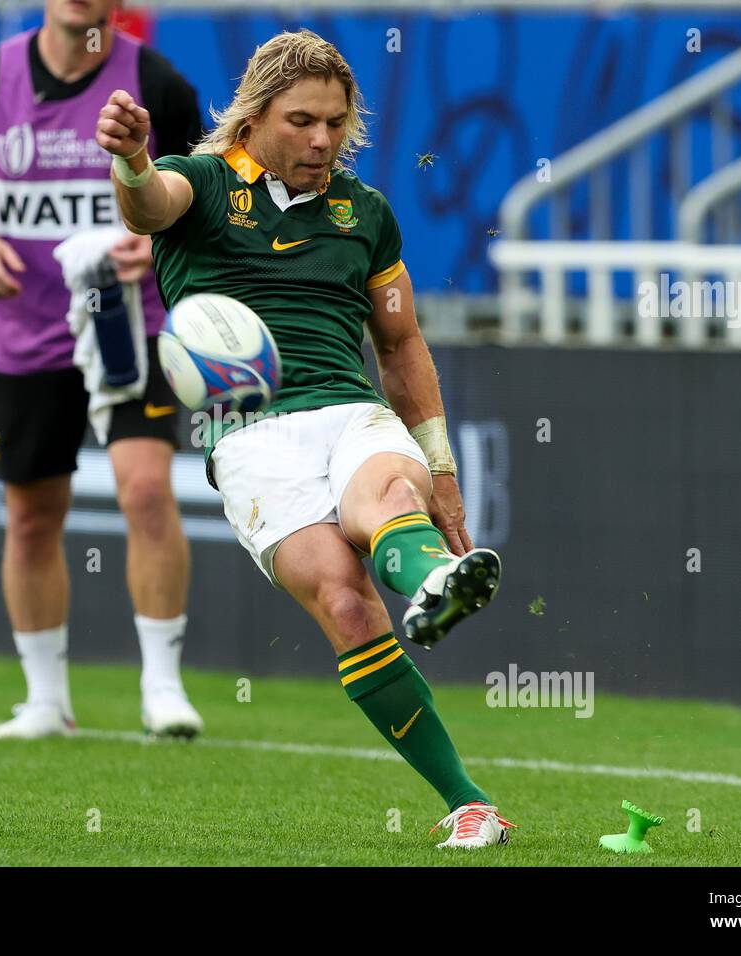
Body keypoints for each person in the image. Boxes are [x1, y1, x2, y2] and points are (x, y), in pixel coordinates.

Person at [99, 29, 514, 848]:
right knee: (344, 599)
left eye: (334, 122)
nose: (321, 140)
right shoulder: (204, 181)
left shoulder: (367, 214)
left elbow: (399, 345)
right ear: (254, 118)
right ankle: (468, 801)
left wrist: (443, 466)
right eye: (301, 121)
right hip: (249, 436)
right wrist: (133, 163)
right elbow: (149, 207)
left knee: (390, 496)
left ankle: (435, 582)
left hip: (348, 409)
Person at [0, 0, 205, 740]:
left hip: (128, 326)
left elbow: (205, 192)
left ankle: (163, 689)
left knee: (145, 490)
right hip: (26, 334)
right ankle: (46, 700)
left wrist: (163, 238)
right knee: (30, 516)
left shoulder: (156, 82)